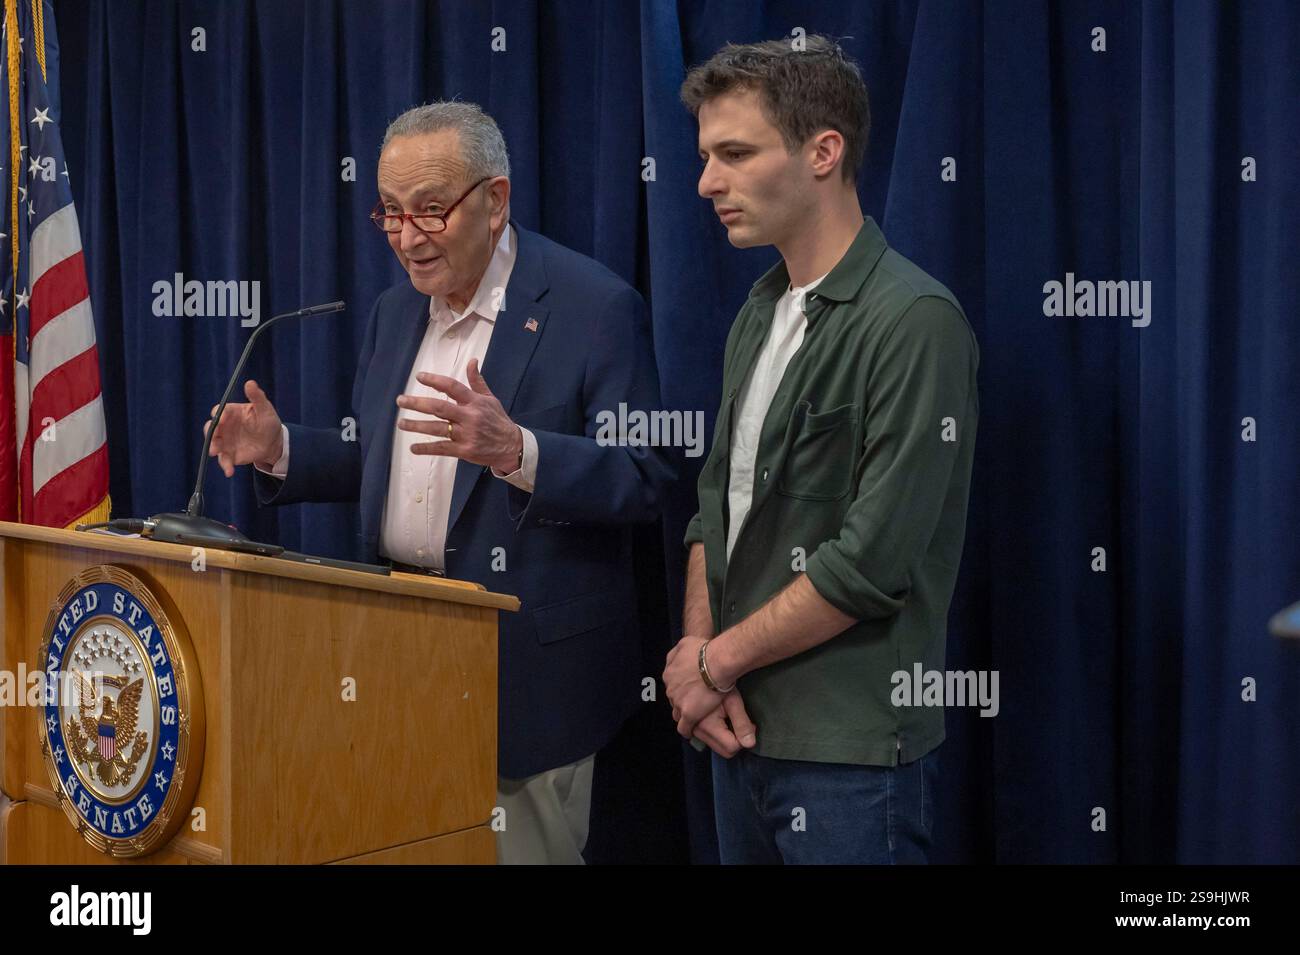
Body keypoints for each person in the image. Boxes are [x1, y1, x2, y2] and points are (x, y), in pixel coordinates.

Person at [207, 101, 674, 864]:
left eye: (430, 208)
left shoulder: (594, 307)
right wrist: (282, 447)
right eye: (390, 212)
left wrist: (518, 450)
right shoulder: (396, 311)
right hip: (400, 660)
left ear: (496, 200)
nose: (406, 236)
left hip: (530, 681)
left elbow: (647, 476)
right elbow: (393, 465)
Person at [663, 37, 980, 864]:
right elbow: (713, 509)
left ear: (823, 152)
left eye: (735, 154)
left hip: (849, 754)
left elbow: (870, 563)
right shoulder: (758, 312)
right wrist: (701, 661)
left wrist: (708, 664)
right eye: (705, 157)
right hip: (737, 729)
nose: (706, 183)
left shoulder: (915, 320)